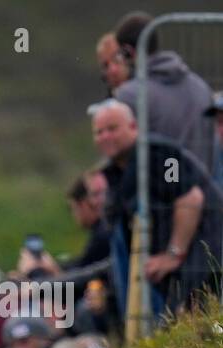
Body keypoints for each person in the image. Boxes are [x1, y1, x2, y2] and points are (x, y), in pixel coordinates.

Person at [93, 99, 221, 317]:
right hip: (165, 275)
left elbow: (189, 198)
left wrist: (173, 254)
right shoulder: (113, 172)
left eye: (112, 129)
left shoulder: (162, 155)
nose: (105, 137)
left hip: (204, 259)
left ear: (133, 127)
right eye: (99, 132)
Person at [111, 12, 215, 172]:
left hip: (160, 190)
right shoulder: (201, 87)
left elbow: (119, 152)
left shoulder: (130, 94)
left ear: (128, 51)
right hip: (203, 189)